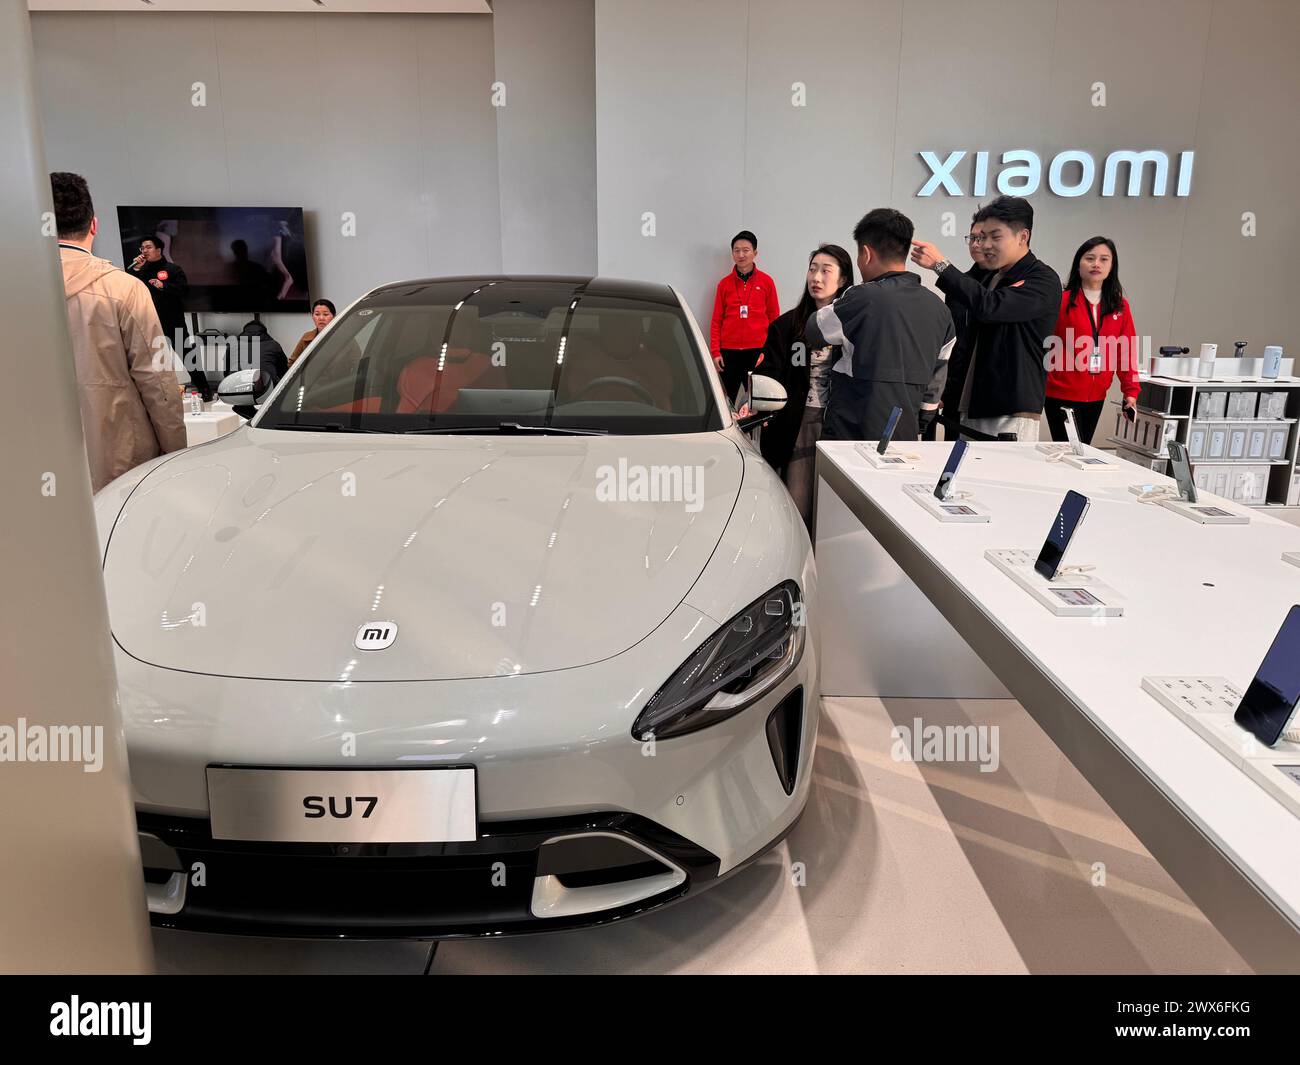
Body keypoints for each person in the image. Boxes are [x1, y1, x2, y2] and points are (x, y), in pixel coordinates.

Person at [50, 171, 185, 491]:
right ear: (94, 224)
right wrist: (177, 453)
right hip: (121, 461)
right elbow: (158, 382)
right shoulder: (125, 290)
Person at [911, 195, 1062, 442]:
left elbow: (991, 307)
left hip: (1008, 409)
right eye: (980, 237)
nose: (985, 245)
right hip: (969, 402)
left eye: (995, 236)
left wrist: (940, 266)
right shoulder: (988, 278)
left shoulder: (1042, 279)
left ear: (1023, 237)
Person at [805, 209, 955, 447]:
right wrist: (924, 416)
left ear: (866, 254)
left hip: (850, 433)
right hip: (904, 435)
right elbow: (938, 376)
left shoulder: (860, 298)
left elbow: (815, 329)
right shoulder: (940, 309)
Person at [759, 244, 856, 526]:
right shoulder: (786, 325)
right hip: (799, 420)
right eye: (813, 269)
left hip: (840, 425)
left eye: (826, 271)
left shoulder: (854, 326)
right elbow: (769, 375)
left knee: (834, 509)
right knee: (798, 502)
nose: (816, 277)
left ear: (844, 280)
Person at [1043, 237, 1138, 444]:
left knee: (1082, 450)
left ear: (1112, 267)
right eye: (1090, 258)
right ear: (1079, 264)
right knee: (1067, 450)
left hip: (1096, 395)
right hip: (1060, 393)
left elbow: (1126, 351)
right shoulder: (1061, 301)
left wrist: (1130, 392)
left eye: (1104, 259)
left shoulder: (1120, 306)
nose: (1096, 264)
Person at [926, 215, 989, 439]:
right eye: (972, 238)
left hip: (987, 391)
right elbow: (951, 342)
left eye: (983, 238)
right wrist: (942, 387)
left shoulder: (1003, 287)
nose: (976, 244)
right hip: (955, 388)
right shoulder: (958, 284)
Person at [128, 234, 212, 400]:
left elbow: (183, 290)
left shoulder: (173, 269)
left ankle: (205, 389)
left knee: (188, 356)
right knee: (152, 361)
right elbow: (129, 287)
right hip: (149, 323)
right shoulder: (140, 271)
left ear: (159, 249)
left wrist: (163, 286)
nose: (144, 251)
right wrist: (136, 269)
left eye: (148, 247)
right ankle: (156, 396)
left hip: (173, 322)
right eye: (142, 248)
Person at [709, 230, 780, 402]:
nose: (741, 254)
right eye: (736, 250)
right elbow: (717, 320)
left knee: (757, 400)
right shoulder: (724, 284)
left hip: (757, 352)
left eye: (746, 250)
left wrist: (769, 352)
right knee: (727, 401)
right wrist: (715, 351)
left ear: (755, 252)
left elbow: (774, 318)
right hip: (729, 353)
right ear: (732, 253)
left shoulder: (766, 282)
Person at [290, 299, 338, 364]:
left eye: (325, 314)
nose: (321, 318)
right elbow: (292, 362)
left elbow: (353, 361)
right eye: (317, 314)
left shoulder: (343, 336)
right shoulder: (306, 337)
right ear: (312, 316)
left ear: (334, 316)